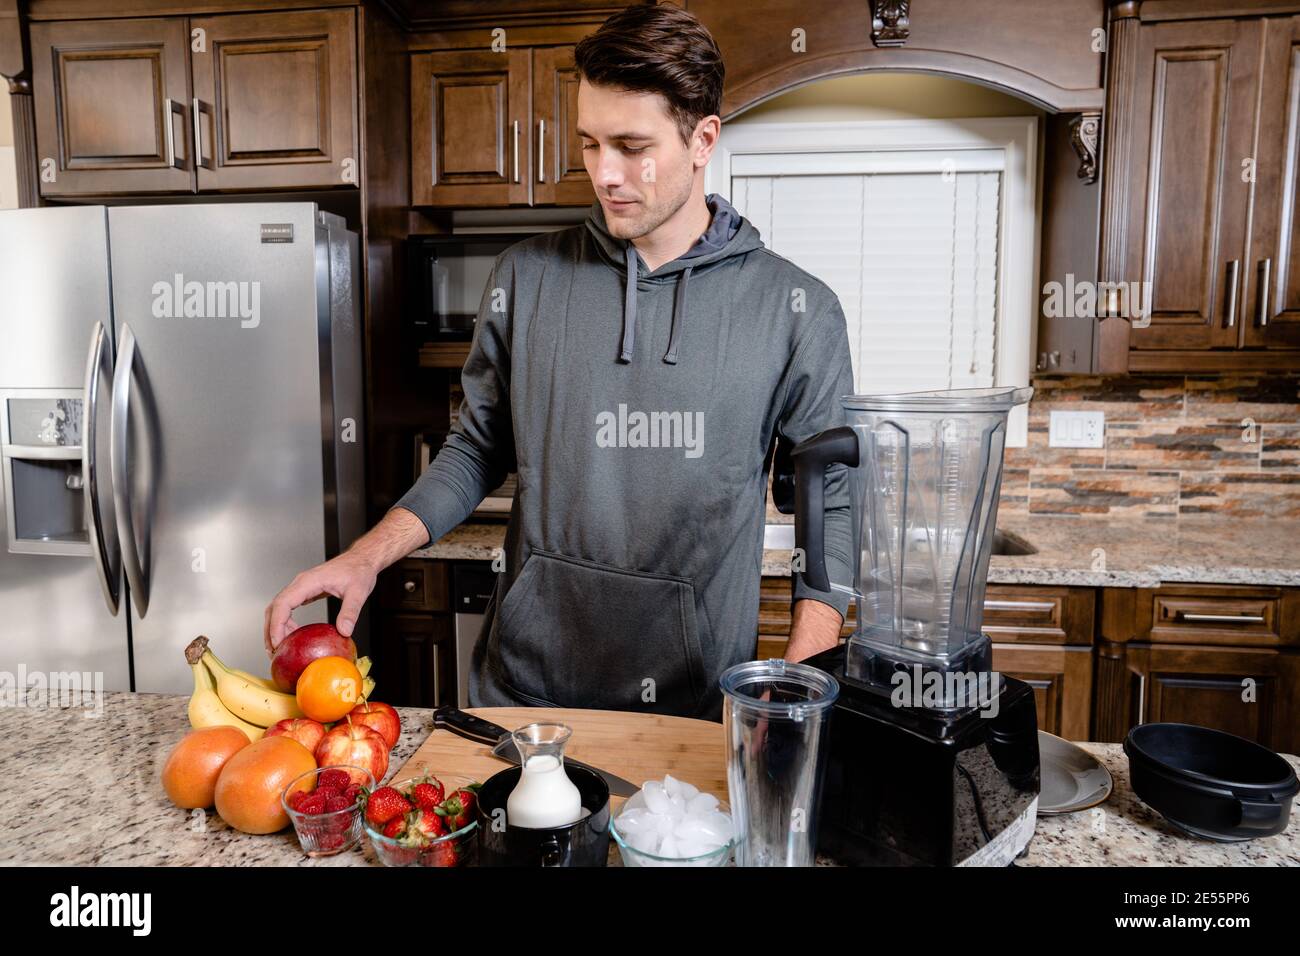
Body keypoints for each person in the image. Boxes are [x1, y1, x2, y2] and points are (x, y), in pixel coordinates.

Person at [265, 4, 854, 720]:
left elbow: (831, 511)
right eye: (590, 143)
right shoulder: (526, 278)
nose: (605, 174)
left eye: (632, 146)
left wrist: (797, 687)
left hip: (691, 712)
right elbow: (476, 450)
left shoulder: (797, 309)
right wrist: (367, 555)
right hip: (522, 698)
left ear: (702, 141)